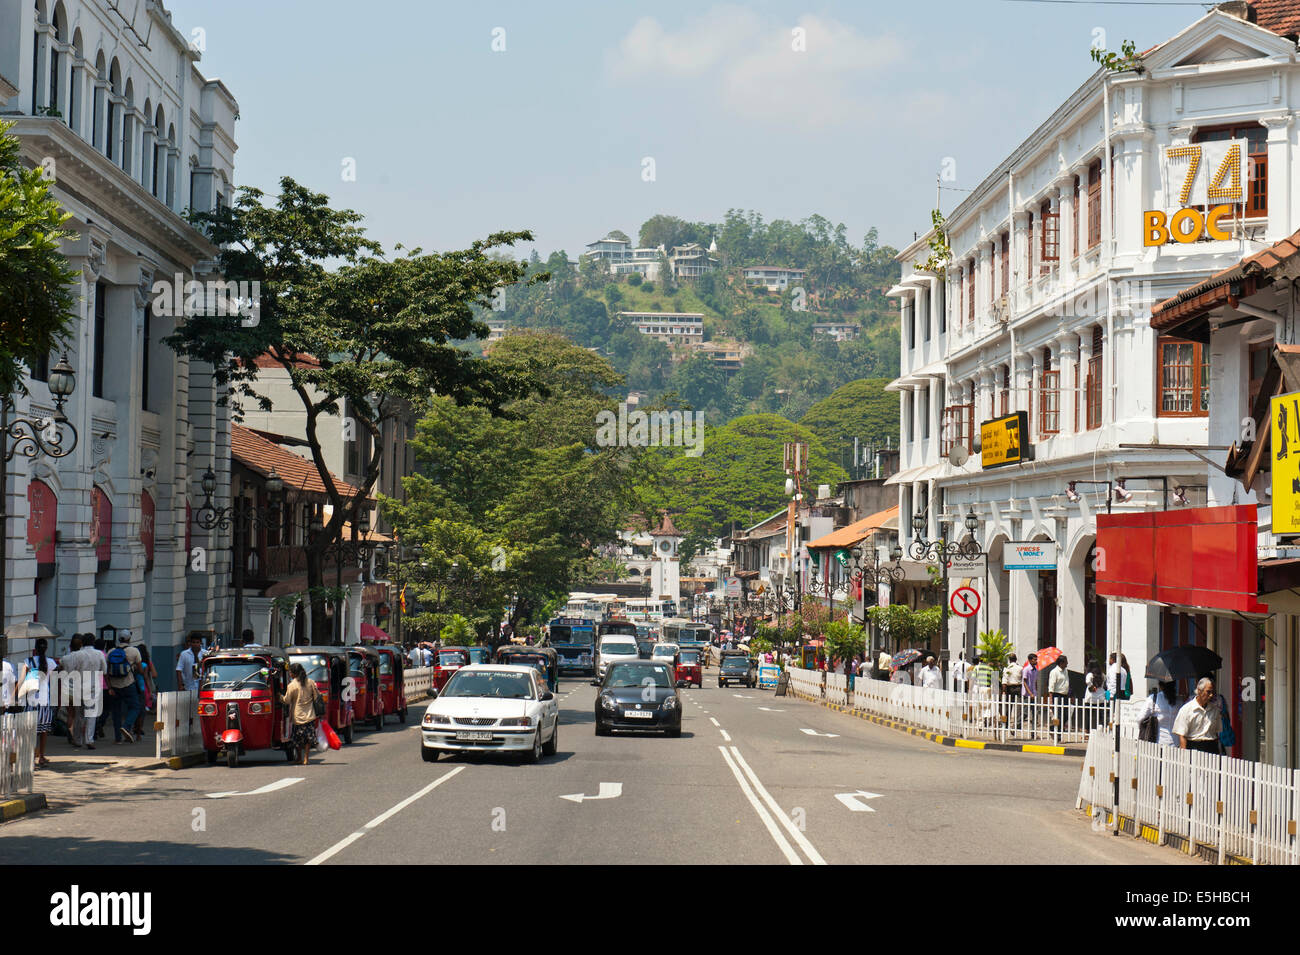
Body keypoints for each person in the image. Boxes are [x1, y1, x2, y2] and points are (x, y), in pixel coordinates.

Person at [20, 639, 58, 766]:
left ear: (35, 648)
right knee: (43, 731)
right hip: (43, 699)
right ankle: (41, 756)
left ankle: (30, 757)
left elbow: (21, 681)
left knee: (30, 730)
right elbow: (54, 682)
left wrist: (15, 695)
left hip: (30, 700)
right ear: (46, 648)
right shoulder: (51, 662)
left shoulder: (28, 661)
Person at [281, 662, 322, 766]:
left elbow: (286, 700)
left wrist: (279, 697)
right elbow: (317, 696)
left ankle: (299, 757)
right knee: (308, 739)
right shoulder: (311, 682)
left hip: (297, 716)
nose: (289, 674)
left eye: (290, 672)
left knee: (297, 739)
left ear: (294, 673)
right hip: (310, 715)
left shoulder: (292, 685)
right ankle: (306, 758)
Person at [106, 633, 143, 744]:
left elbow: (107, 672)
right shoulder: (134, 651)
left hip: (114, 686)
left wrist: (109, 687)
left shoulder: (111, 652)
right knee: (135, 707)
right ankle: (126, 726)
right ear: (129, 639)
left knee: (116, 711)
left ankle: (118, 738)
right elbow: (140, 670)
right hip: (128, 684)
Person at [1173, 677, 1222, 753]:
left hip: (1211, 748)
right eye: (1208, 692)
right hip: (1194, 748)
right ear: (1199, 691)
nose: (1211, 695)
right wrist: (1184, 755)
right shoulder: (1187, 709)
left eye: (1213, 692)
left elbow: (1217, 732)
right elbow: (1182, 735)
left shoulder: (1215, 710)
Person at [1142, 681, 1181, 746]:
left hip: (1159, 742)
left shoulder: (1153, 699)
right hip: (1176, 743)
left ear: (1160, 686)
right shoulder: (1180, 701)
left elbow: (1140, 718)